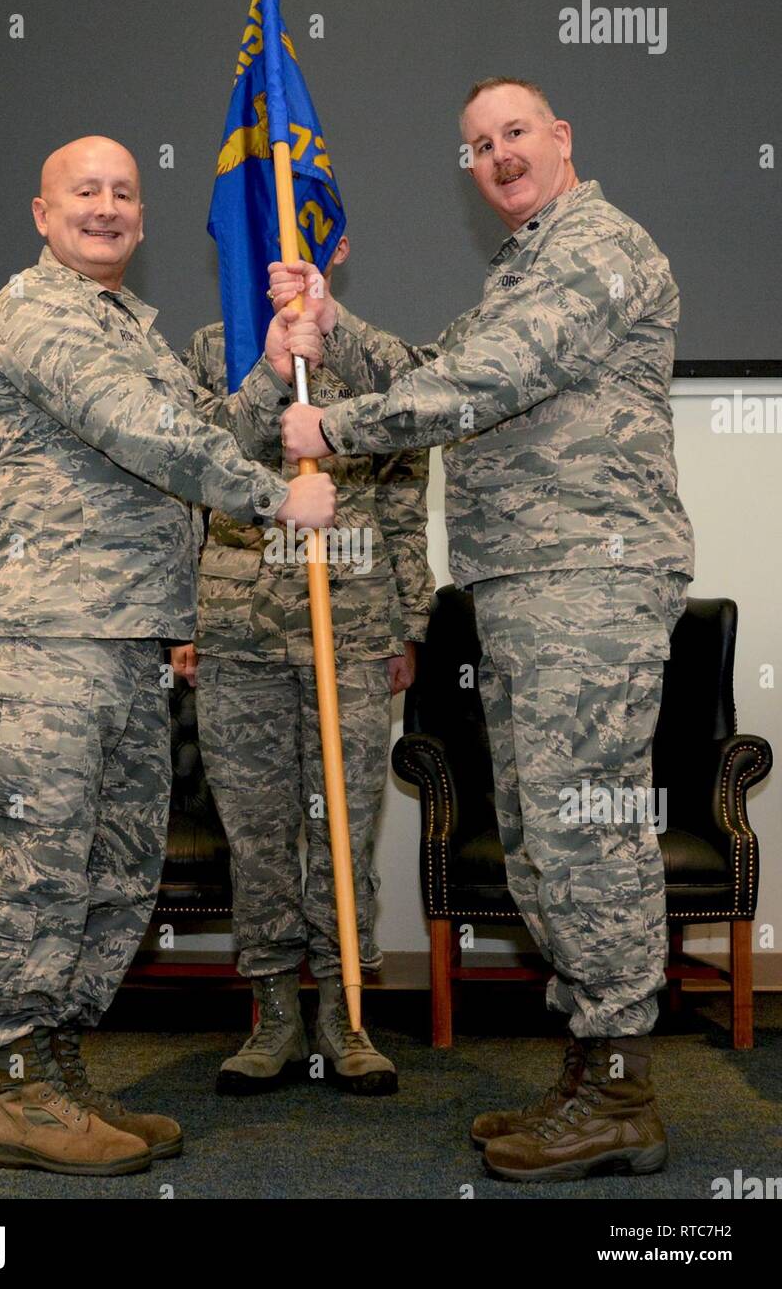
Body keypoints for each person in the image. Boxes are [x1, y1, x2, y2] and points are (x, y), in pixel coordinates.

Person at [271, 78, 695, 1181]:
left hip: (587, 583)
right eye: (477, 145)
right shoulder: (521, 269)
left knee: (584, 839)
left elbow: (483, 388)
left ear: (561, 139)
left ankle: (619, 1092)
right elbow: (437, 373)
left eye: (515, 134)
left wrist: (331, 424)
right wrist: (330, 320)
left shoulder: (600, 247)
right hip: (524, 587)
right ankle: (594, 1065)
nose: (498, 154)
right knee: (546, 843)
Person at [0, 135, 334, 1176]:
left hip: (130, 640)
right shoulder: (34, 312)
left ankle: (62, 1069)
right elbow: (148, 437)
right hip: (51, 635)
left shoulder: (129, 327)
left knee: (116, 870)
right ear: (42, 213)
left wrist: (267, 376)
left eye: (125, 192)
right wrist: (277, 496)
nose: (108, 207)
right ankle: (16, 1092)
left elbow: (202, 426)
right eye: (85, 190)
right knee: (40, 867)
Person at [172, 235, 434, 1096]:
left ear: (342, 248)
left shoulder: (375, 357)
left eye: (310, 241)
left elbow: (402, 496)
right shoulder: (214, 350)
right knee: (256, 835)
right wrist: (181, 618)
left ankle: (345, 1016)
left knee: (344, 832)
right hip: (236, 628)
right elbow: (183, 475)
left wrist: (411, 622)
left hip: (350, 627)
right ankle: (275, 1013)